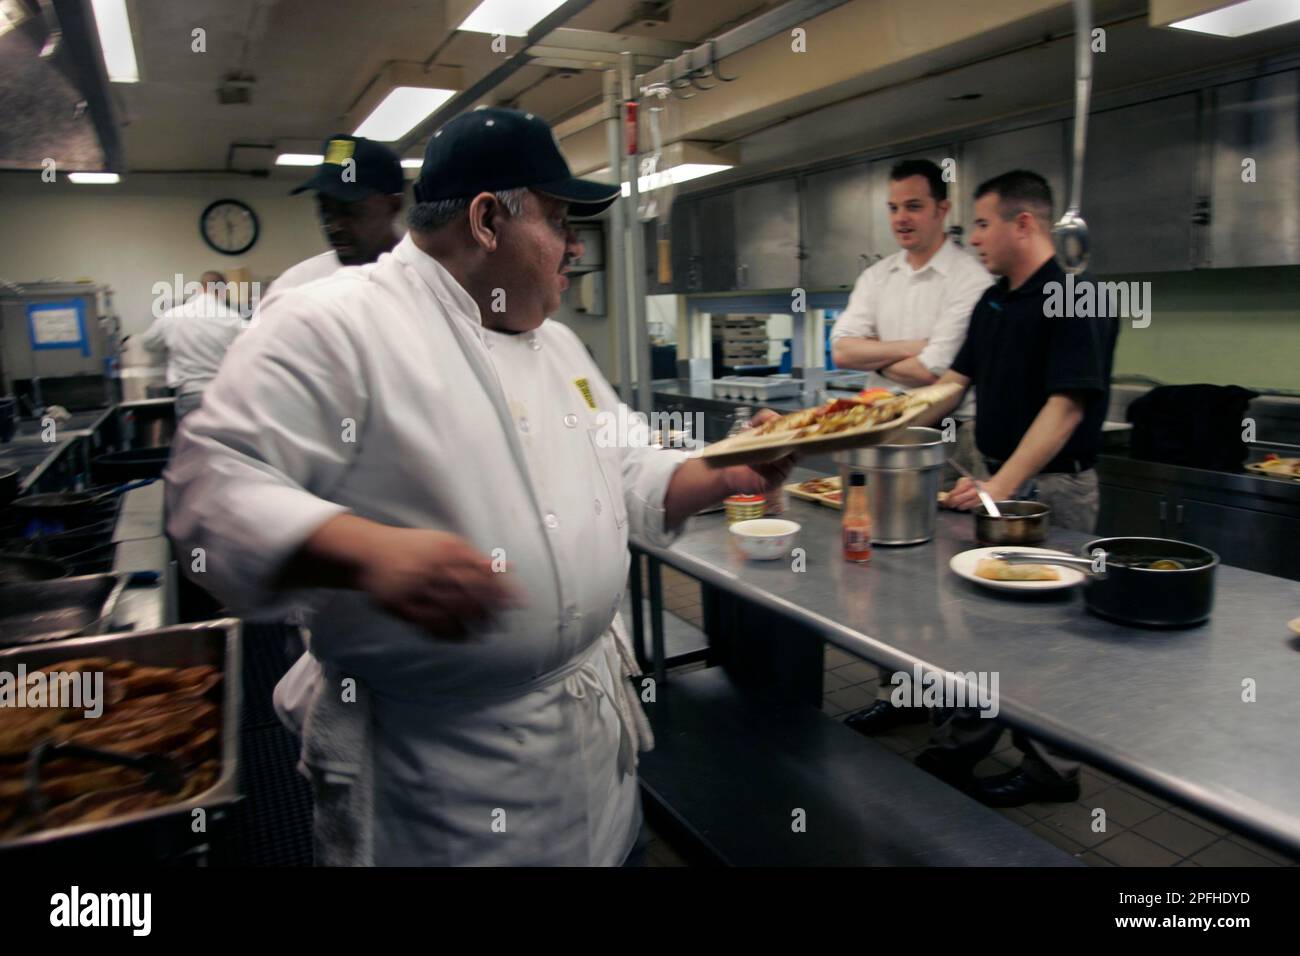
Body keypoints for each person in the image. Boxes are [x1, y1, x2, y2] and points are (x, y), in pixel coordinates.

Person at [164, 106, 792, 866]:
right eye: (560, 222)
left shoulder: (555, 344)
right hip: (445, 783)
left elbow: (627, 472)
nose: (572, 250)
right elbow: (210, 492)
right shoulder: (334, 322)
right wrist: (367, 553)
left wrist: (730, 472)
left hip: (591, 751)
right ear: (488, 219)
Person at [910, 169, 1119, 807]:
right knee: (977, 621)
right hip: (996, 478)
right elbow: (952, 383)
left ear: (1023, 224)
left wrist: (1000, 485)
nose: (970, 235)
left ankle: (1054, 769)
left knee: (1049, 634)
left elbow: (1067, 408)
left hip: (1053, 490)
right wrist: (878, 428)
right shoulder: (994, 300)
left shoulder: (1074, 299)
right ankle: (964, 744)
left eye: (980, 222)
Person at [830, 158, 993, 738]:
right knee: (883, 571)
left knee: (951, 577)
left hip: (953, 439)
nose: (901, 218)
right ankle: (897, 693)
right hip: (884, 438)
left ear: (943, 210)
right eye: (894, 208)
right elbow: (842, 350)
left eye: (914, 206)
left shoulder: (971, 279)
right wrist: (911, 351)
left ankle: (959, 711)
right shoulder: (879, 278)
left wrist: (891, 356)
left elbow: (937, 370)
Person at [269, 135, 404, 293]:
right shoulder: (296, 287)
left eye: (350, 211)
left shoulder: (430, 278)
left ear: (394, 205)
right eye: (325, 211)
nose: (333, 227)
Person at [140, 270, 242, 418]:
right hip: (225, 395)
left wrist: (172, 344)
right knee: (226, 441)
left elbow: (148, 343)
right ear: (223, 291)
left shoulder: (173, 316)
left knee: (192, 441)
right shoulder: (235, 319)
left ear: (199, 288)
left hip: (190, 394)